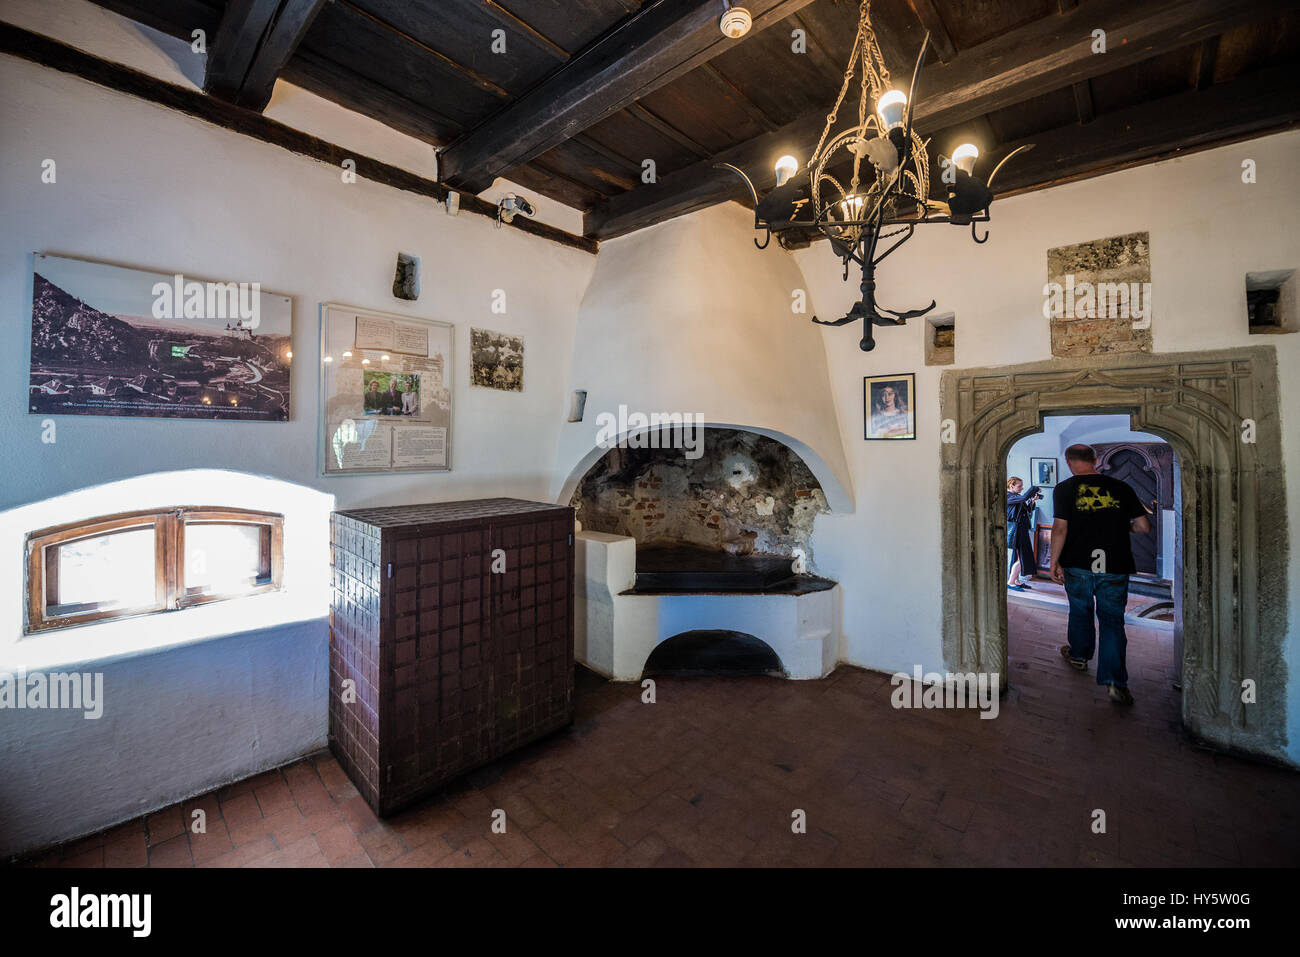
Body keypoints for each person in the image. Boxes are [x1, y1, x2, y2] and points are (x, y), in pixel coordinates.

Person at [1049, 443, 1150, 705]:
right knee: (1112, 621)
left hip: (1078, 562)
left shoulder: (1064, 489)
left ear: (1069, 462)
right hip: (1114, 564)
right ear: (1095, 459)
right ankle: (1116, 682)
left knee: (1080, 610)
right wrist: (1119, 529)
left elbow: (1060, 528)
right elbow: (1143, 526)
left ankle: (1080, 657)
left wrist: (1053, 562)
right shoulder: (1122, 488)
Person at [1005, 477, 1042, 591]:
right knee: (1023, 557)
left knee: (1018, 556)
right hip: (1017, 531)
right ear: (1011, 486)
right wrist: (1034, 488)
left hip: (1022, 529)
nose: (1022, 488)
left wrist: (1032, 501)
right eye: (1019, 486)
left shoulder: (1016, 498)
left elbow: (1026, 510)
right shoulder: (1008, 496)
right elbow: (1024, 497)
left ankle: (1016, 580)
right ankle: (1011, 582)